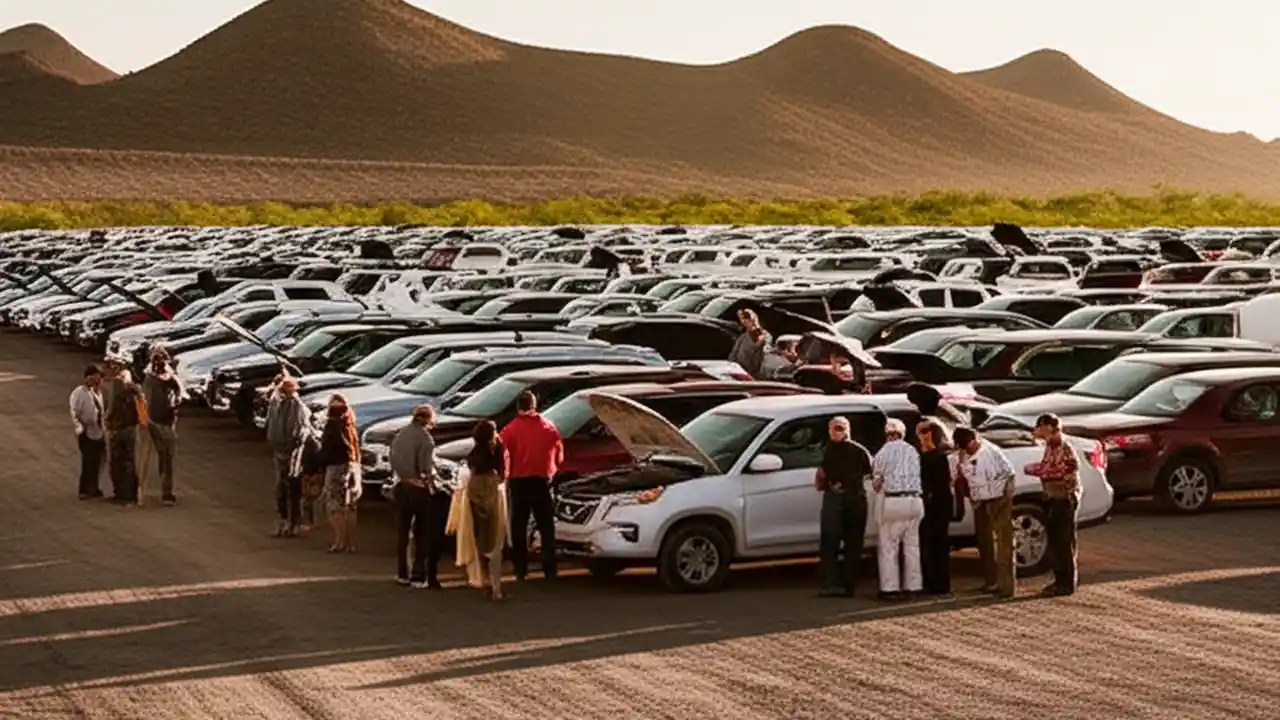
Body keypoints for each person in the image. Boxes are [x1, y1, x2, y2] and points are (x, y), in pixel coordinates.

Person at [499, 390, 563, 581]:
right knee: (546, 527)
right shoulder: (549, 428)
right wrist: (552, 470)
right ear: (535, 406)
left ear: (519, 407)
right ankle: (549, 567)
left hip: (519, 482)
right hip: (541, 481)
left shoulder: (509, 430)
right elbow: (559, 456)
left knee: (519, 525)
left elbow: (502, 457)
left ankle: (520, 568)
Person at [953, 426, 1017, 598]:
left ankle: (1006, 586)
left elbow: (1010, 474)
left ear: (974, 440)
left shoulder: (991, 452)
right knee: (985, 543)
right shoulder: (963, 456)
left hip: (997, 499)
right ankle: (991, 581)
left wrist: (1004, 500)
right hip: (980, 502)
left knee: (1003, 544)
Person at [389, 404, 446, 589]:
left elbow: (393, 459)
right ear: (429, 420)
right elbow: (425, 469)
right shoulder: (426, 440)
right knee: (422, 532)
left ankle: (401, 573)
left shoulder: (400, 435)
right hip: (418, 490)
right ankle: (418, 575)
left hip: (401, 486)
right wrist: (431, 487)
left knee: (402, 532)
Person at [815, 416, 873, 597]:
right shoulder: (856, 450)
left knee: (837, 543)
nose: (836, 432)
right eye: (835, 428)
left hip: (843, 500)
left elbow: (821, 475)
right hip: (850, 499)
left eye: (839, 428)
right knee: (845, 544)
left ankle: (838, 584)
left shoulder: (832, 450)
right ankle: (843, 585)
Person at [1025, 413, 1082, 597]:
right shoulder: (1050, 446)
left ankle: (1066, 584)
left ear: (1050, 427)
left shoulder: (1063, 447)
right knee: (1056, 542)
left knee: (1064, 542)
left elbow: (1058, 471)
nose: (1037, 431)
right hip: (1054, 497)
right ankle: (1059, 580)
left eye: (1040, 427)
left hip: (1064, 498)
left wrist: (1035, 470)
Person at [871, 418, 924, 600]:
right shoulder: (913, 451)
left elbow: (877, 483)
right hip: (915, 501)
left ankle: (890, 588)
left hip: (894, 502)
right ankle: (914, 587)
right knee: (912, 546)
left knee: (889, 546)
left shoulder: (883, 453)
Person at [467, 420, 509, 600]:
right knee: (496, 539)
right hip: (493, 492)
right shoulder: (498, 450)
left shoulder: (474, 453)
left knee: (479, 535)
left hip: (476, 491)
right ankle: (496, 587)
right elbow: (503, 473)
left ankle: (483, 577)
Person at [266, 375, 311, 537]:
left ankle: (293, 523)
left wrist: (290, 449)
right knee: (282, 489)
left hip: (292, 455)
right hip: (280, 452)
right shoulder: (276, 404)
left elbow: (298, 432)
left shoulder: (296, 407)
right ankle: (285, 521)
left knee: (292, 488)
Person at [319, 394, 362, 553]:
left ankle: (340, 540)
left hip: (336, 467)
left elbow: (328, 449)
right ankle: (350, 542)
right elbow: (354, 448)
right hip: (353, 467)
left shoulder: (332, 426)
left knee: (333, 505)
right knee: (350, 505)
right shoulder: (350, 425)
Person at [916, 417, 954, 595]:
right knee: (928, 544)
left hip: (937, 505)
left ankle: (940, 584)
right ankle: (930, 581)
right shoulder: (922, 456)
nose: (923, 436)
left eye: (926, 432)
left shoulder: (939, 457)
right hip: (928, 505)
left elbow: (940, 484)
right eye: (921, 433)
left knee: (938, 544)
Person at [141, 350, 183, 506]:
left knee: (166, 458)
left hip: (166, 422)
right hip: (153, 421)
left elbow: (179, 391)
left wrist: (176, 400)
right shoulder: (150, 379)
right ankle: (140, 490)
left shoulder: (169, 378)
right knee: (152, 457)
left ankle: (166, 491)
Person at [69, 364, 106, 500]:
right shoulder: (79, 393)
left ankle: (94, 487)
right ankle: (84, 489)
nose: (98, 379)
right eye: (95, 376)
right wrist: (79, 427)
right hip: (85, 431)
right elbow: (74, 412)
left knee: (97, 461)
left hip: (97, 430)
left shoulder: (97, 393)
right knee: (88, 460)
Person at [105, 379, 144, 505]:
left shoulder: (117, 397)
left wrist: (110, 425)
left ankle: (121, 494)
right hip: (130, 432)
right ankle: (129, 495)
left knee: (117, 464)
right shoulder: (136, 397)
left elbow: (110, 414)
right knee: (128, 464)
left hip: (120, 432)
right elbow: (143, 418)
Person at [729, 308, 772, 379]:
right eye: (742, 318)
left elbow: (764, 357)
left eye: (747, 317)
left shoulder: (766, 337)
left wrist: (755, 325)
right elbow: (732, 358)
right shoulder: (742, 338)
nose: (745, 321)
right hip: (740, 376)